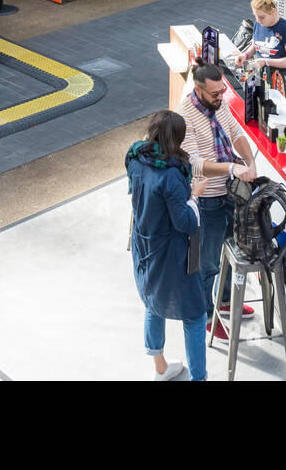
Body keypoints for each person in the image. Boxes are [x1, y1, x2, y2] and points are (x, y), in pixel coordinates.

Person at [126, 110, 210, 381]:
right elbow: (185, 223)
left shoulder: (136, 157)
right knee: (195, 316)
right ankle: (199, 378)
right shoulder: (172, 176)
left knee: (153, 302)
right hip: (171, 254)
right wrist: (194, 195)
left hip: (144, 244)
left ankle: (160, 367)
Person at [179, 63, 259, 340]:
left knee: (231, 250)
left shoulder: (219, 104)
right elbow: (195, 164)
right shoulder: (185, 115)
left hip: (231, 192)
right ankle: (204, 316)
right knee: (209, 262)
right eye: (214, 93)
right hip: (209, 199)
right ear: (198, 89)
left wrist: (249, 161)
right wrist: (231, 168)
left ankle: (224, 302)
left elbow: (236, 134)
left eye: (222, 90)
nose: (220, 96)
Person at [236, 0, 286, 96]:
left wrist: (266, 62)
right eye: (256, 16)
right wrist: (245, 55)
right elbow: (256, 46)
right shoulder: (258, 24)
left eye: (262, 17)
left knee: (277, 110)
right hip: (259, 74)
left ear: (273, 11)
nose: (258, 21)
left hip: (279, 79)